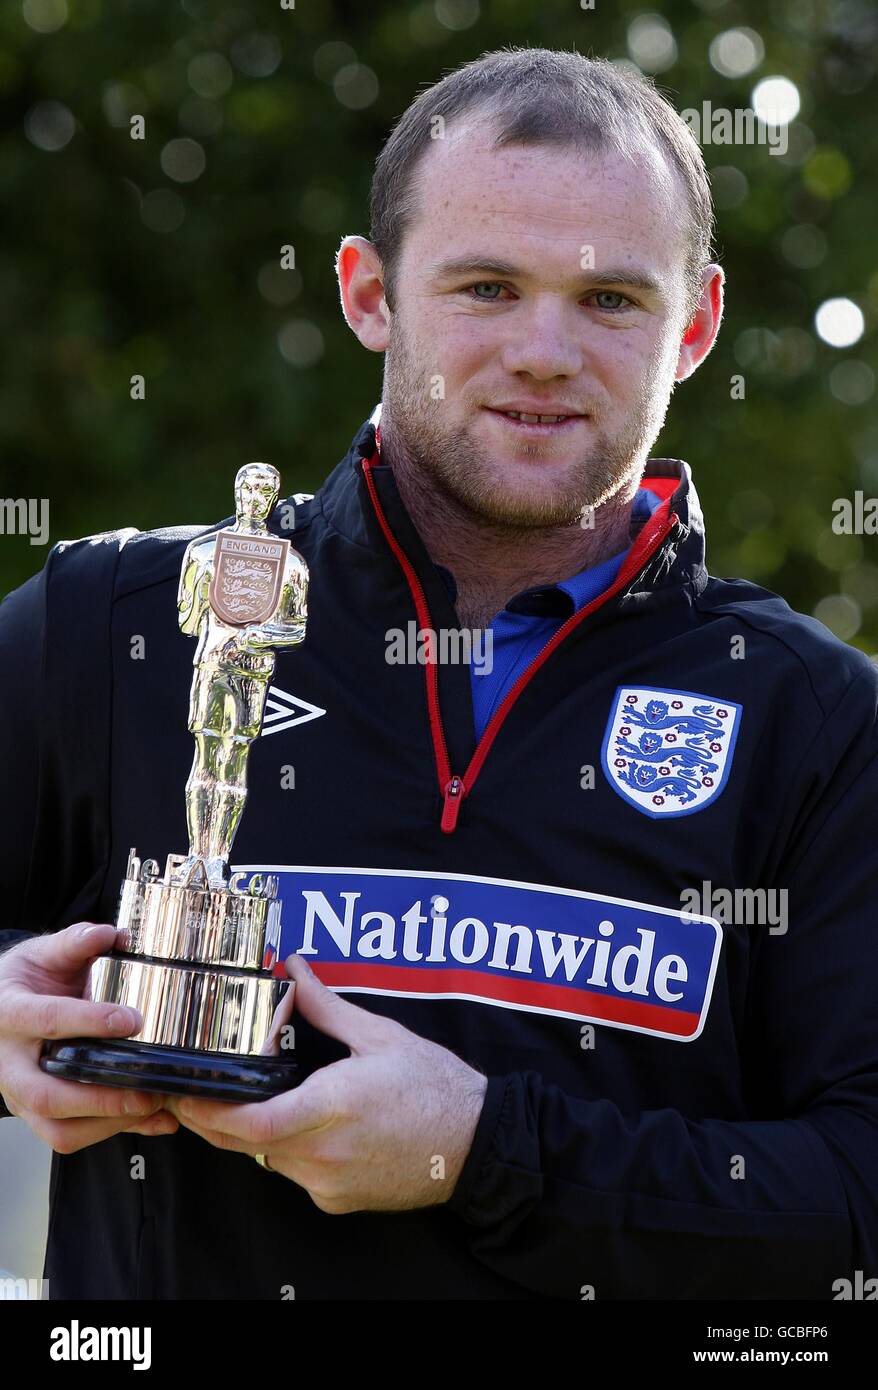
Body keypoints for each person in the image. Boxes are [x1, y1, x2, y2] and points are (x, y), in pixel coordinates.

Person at [1, 46, 876, 1301]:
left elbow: (856, 1197)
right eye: (483, 285)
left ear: (695, 324)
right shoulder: (115, 623)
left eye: (611, 300)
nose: (541, 350)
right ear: (369, 296)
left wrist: (483, 1150)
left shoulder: (817, 719)